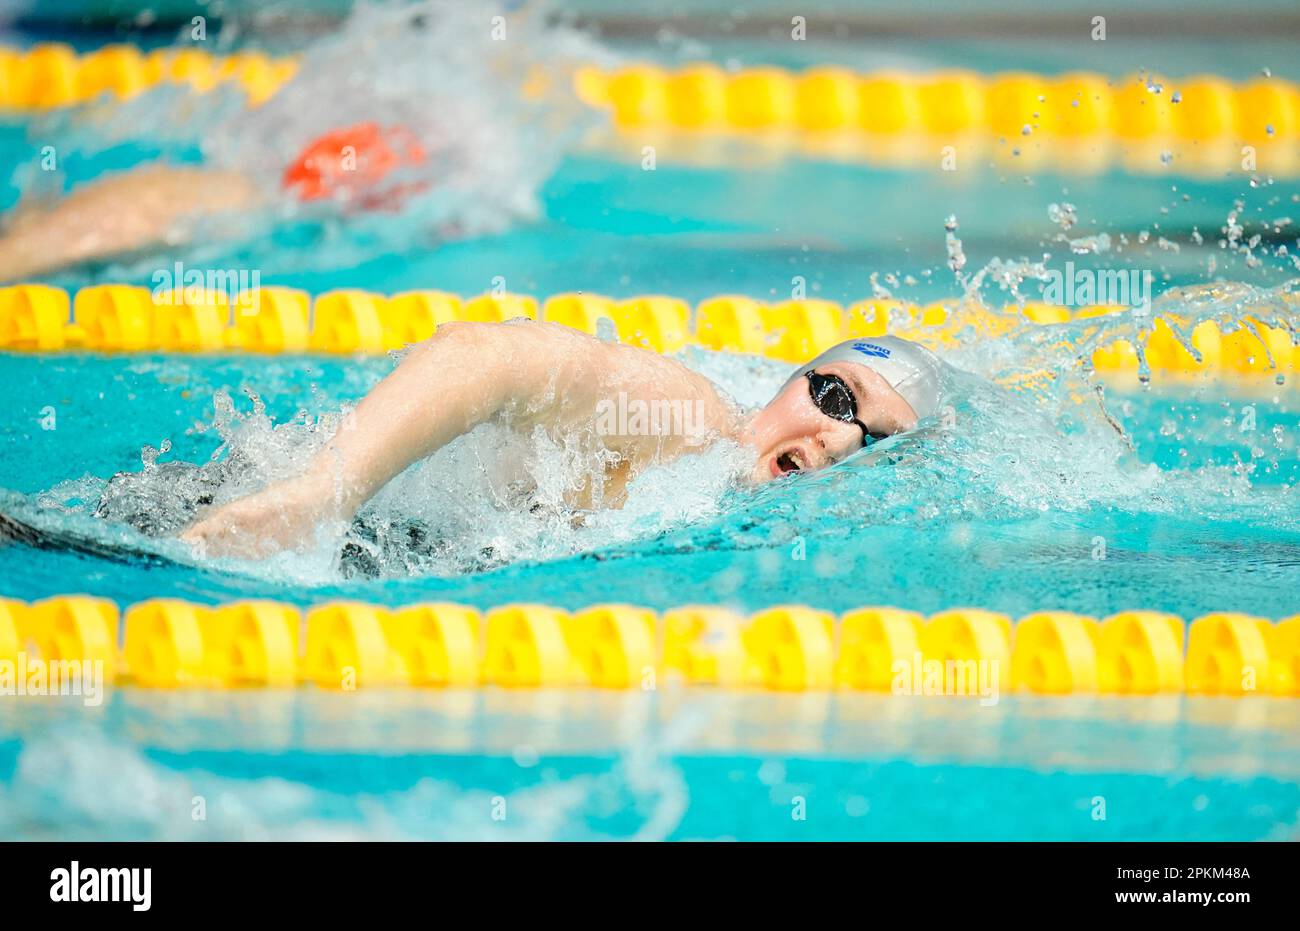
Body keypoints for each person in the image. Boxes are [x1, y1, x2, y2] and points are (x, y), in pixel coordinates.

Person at [179, 320, 948, 558]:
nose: (840, 441)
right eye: (837, 396)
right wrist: (321, 494)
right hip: (253, 515)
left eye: (875, 443)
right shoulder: (686, 421)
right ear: (789, 380)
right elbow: (490, 356)